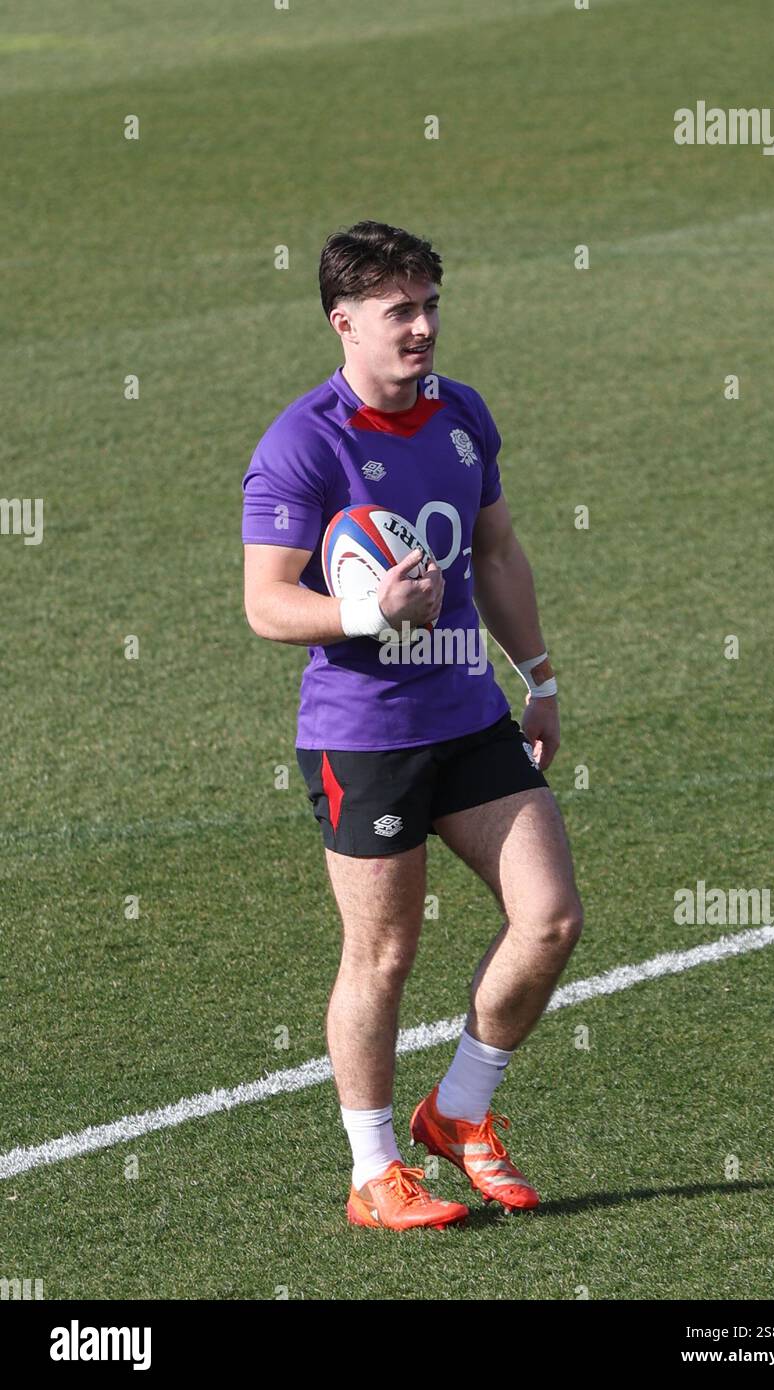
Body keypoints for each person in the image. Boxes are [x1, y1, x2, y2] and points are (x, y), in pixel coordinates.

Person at [242, 220, 583, 1232]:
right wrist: (368, 612)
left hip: (468, 713)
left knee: (550, 917)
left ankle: (459, 1112)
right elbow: (265, 603)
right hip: (365, 736)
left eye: (430, 304)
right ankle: (372, 1170)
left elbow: (498, 549)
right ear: (342, 321)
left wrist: (540, 677)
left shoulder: (461, 415)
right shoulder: (302, 441)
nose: (423, 327)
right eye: (400, 311)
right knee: (382, 955)